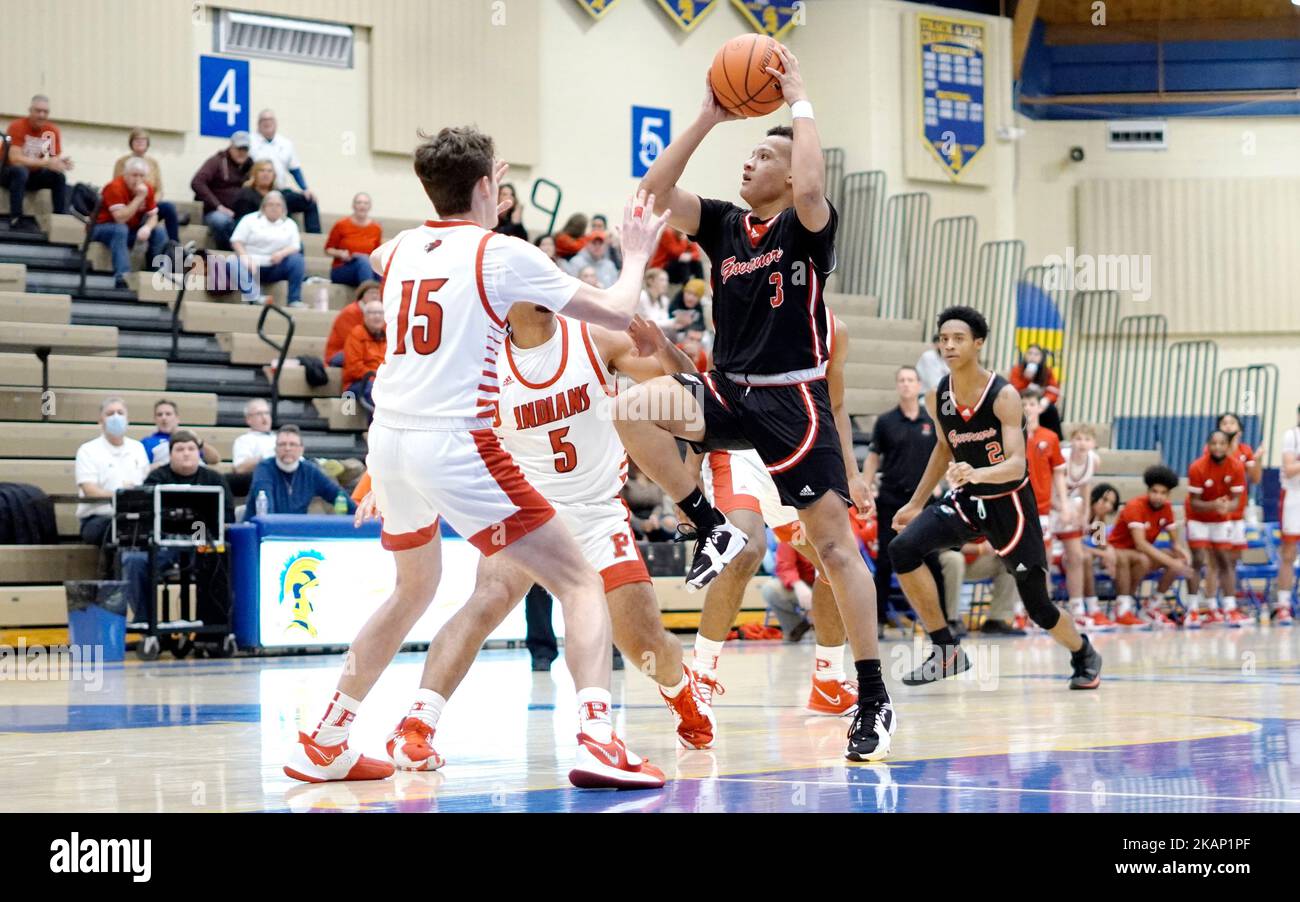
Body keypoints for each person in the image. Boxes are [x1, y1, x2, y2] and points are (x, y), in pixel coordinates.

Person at [281, 125, 671, 790]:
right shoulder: (503, 255)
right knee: (580, 582)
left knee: (413, 590)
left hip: (389, 441)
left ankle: (327, 735)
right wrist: (635, 255)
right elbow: (612, 309)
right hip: (456, 441)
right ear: (489, 186)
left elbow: (410, 267)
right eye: (498, 174)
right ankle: (599, 739)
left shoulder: (398, 248)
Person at [624, 49, 894, 761]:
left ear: (785, 170)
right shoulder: (721, 225)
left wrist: (799, 98)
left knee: (835, 549)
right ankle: (709, 524)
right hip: (727, 391)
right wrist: (711, 116)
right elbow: (650, 196)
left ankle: (869, 692)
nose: (748, 165)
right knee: (628, 407)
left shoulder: (806, 226)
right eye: (745, 154)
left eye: (760, 156)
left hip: (792, 402)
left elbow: (811, 181)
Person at [357, 305, 721, 769]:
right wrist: (376, 476)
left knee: (644, 643)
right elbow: (411, 410)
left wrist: (667, 350)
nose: (543, 290)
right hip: (526, 510)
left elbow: (690, 391)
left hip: (596, 511)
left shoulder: (595, 338)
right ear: (504, 303)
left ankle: (679, 688)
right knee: (487, 598)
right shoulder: (480, 362)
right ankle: (417, 722)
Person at [888, 305, 1102, 690]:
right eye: (943, 339)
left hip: (1011, 505)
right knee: (902, 549)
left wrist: (977, 472)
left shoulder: (1004, 395)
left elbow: (1017, 465)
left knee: (1038, 606)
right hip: (968, 500)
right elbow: (942, 446)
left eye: (958, 339)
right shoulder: (938, 395)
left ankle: (1083, 652)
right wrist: (917, 502)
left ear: (979, 343)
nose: (949, 346)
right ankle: (946, 649)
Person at [862, 366, 951, 633]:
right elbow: (873, 456)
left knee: (933, 561)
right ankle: (877, 621)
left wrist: (942, 485)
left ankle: (944, 622)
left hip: (924, 503)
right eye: (901, 380)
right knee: (885, 562)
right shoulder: (886, 421)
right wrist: (865, 486)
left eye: (910, 380)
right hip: (892, 501)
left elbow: (946, 453)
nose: (905, 384)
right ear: (897, 386)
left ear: (919, 385)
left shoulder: (931, 421)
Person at [121, 431, 235, 624]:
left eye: (191, 449)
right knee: (133, 560)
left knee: (220, 559)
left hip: (201, 536)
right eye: (180, 449)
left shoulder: (214, 479)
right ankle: (145, 621)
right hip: (164, 539)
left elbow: (227, 516)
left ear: (198, 453)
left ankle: (214, 626)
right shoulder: (157, 477)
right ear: (170, 453)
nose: (186, 453)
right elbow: (145, 517)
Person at [1107, 464, 1195, 628]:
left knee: (1178, 560)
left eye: (1163, 493)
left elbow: (1174, 542)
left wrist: (1183, 554)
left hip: (1141, 555)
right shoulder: (1135, 506)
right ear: (1148, 491)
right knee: (1145, 559)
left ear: (1168, 494)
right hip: (1118, 551)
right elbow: (1141, 544)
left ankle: (1152, 605)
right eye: (1154, 491)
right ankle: (1122, 609)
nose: (1158, 497)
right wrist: (1171, 562)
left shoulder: (1167, 509)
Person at [1183, 430, 1248, 628]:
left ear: (1228, 446)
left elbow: (1236, 499)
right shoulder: (1197, 467)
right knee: (1198, 559)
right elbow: (1194, 503)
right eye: (1213, 443)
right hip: (1198, 518)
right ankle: (1192, 609)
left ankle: (1229, 608)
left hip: (1221, 518)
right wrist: (1214, 505)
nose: (1217, 447)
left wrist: (1228, 507)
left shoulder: (1236, 466)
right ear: (1208, 445)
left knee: (1225, 560)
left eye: (1222, 443)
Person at [1018, 385, 1070, 632]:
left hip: (1043, 510)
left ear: (1040, 406)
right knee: (1019, 561)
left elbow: (1059, 474)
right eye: (1024, 404)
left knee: (1043, 561)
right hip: (1017, 508)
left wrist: (1065, 504)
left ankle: (1043, 611)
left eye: (1032, 403)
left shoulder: (1050, 438)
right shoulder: (1011, 435)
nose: (1028, 408)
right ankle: (1019, 611)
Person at [74, 397, 149, 557]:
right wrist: (123, 494)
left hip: (136, 517)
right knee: (121, 531)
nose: (116, 417)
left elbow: (146, 484)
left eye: (120, 413)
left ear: (128, 419)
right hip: (98, 519)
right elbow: (89, 490)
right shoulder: (88, 450)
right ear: (100, 420)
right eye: (110, 413)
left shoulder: (138, 448)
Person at [1208, 411, 1261, 608]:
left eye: (1232, 422)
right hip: (1218, 512)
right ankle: (1211, 604)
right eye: (1224, 422)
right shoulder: (1213, 448)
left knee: (1232, 560)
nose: (1228, 425)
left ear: (1240, 428)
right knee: (1214, 560)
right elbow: (1224, 469)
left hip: (1237, 512)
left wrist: (1257, 459)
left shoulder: (1245, 450)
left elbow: (1255, 479)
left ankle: (1228, 603)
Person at [244, 424, 354, 519]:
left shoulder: (310, 471)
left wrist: (359, 516)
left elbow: (336, 494)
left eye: (292, 444)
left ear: (301, 450)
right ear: (275, 449)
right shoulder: (264, 468)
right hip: (263, 531)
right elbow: (266, 503)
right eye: (282, 444)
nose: (287, 448)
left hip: (295, 531)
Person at [91, 157, 169, 288]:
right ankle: (123, 276)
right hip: (100, 228)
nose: (138, 179)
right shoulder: (114, 187)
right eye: (134, 175)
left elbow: (154, 216)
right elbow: (120, 218)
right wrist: (139, 198)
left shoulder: (147, 188)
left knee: (159, 232)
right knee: (120, 229)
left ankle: (156, 274)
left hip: (128, 229)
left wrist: (147, 228)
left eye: (142, 176)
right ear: (125, 175)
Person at [3, 94, 72, 229]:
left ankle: (59, 220)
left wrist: (61, 163)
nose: (41, 115)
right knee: (20, 171)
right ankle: (16, 218)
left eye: (45, 112)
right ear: (30, 111)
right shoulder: (17, 126)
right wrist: (47, 163)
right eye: (38, 111)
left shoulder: (52, 131)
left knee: (58, 176)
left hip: (32, 175)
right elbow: (15, 159)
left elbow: (53, 160)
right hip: (8, 173)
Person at [227, 191, 306, 305]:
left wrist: (282, 254)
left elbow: (295, 246)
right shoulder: (249, 219)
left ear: (283, 208)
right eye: (270, 204)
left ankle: (294, 300)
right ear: (263, 207)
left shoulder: (290, 224)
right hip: (251, 265)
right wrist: (245, 258)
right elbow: (236, 241)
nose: (274, 208)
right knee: (232, 262)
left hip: (276, 266)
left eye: (278, 205)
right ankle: (255, 297)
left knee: (297, 259)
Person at [249, 109, 321, 232]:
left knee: (309, 201)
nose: (267, 123)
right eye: (263, 120)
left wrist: (305, 189)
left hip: (280, 191)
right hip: (258, 192)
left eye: (270, 120)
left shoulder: (286, 143)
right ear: (258, 124)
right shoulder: (250, 142)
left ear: (276, 123)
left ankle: (314, 237)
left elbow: (294, 168)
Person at [114, 128, 180, 242]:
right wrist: (136, 201)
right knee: (156, 232)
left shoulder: (153, 163)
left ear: (148, 144)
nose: (140, 143)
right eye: (137, 140)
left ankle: (175, 245)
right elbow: (116, 186)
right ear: (131, 143)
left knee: (169, 208)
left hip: (150, 203)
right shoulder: (122, 162)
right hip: (130, 205)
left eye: (143, 140)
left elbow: (159, 189)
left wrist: (152, 202)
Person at [190, 132, 252, 249]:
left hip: (240, 212)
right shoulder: (217, 161)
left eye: (245, 149)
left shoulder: (251, 165)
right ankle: (229, 252)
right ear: (231, 147)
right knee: (221, 221)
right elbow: (197, 182)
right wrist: (218, 206)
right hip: (215, 211)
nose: (241, 152)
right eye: (238, 148)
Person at [141, 398, 220, 469]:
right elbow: (141, 470)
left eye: (168, 414)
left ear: (177, 418)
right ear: (154, 419)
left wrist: (198, 442)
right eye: (159, 414)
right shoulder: (147, 443)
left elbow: (214, 460)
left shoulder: (190, 439)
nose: (164, 418)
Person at [325, 193, 383, 286]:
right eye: (359, 202)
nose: (362, 206)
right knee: (363, 261)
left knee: (379, 270)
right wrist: (340, 253)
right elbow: (328, 249)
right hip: (343, 268)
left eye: (365, 203)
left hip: (367, 267)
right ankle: (367, 297)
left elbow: (377, 253)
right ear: (353, 205)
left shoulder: (376, 228)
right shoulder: (341, 224)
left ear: (370, 207)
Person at [762, 539, 815, 641]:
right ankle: (796, 628)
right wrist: (797, 584)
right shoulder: (792, 531)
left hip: (835, 587)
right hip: (805, 584)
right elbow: (784, 565)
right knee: (770, 589)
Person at [342, 295, 386, 416]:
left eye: (380, 313)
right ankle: (373, 431)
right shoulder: (356, 335)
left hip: (380, 381)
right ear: (365, 316)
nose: (377, 316)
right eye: (373, 313)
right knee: (374, 390)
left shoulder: (388, 337)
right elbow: (354, 368)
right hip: (357, 384)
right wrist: (377, 378)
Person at [1276, 404, 1299, 625]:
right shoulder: (1292, 435)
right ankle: (1283, 604)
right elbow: (1290, 469)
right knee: (1289, 554)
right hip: (1294, 498)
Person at [1009, 344, 1062, 437]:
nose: (1033, 357)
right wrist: (1026, 379)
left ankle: (1057, 438)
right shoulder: (1017, 370)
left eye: (1036, 354)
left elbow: (1054, 389)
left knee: (1051, 410)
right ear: (1025, 356)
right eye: (1030, 353)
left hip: (1040, 402)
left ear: (1041, 358)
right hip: (1021, 401)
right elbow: (1013, 389)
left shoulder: (1047, 371)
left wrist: (1046, 400)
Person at [325, 281, 377, 367]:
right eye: (371, 293)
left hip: (365, 349)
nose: (375, 296)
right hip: (339, 352)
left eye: (377, 293)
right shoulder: (350, 312)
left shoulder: (379, 312)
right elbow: (351, 342)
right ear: (362, 295)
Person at [230, 398, 275, 497]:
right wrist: (266, 457)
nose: (264, 417)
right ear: (248, 419)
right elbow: (240, 468)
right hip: (260, 485)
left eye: (267, 413)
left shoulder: (279, 438)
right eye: (259, 414)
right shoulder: (244, 440)